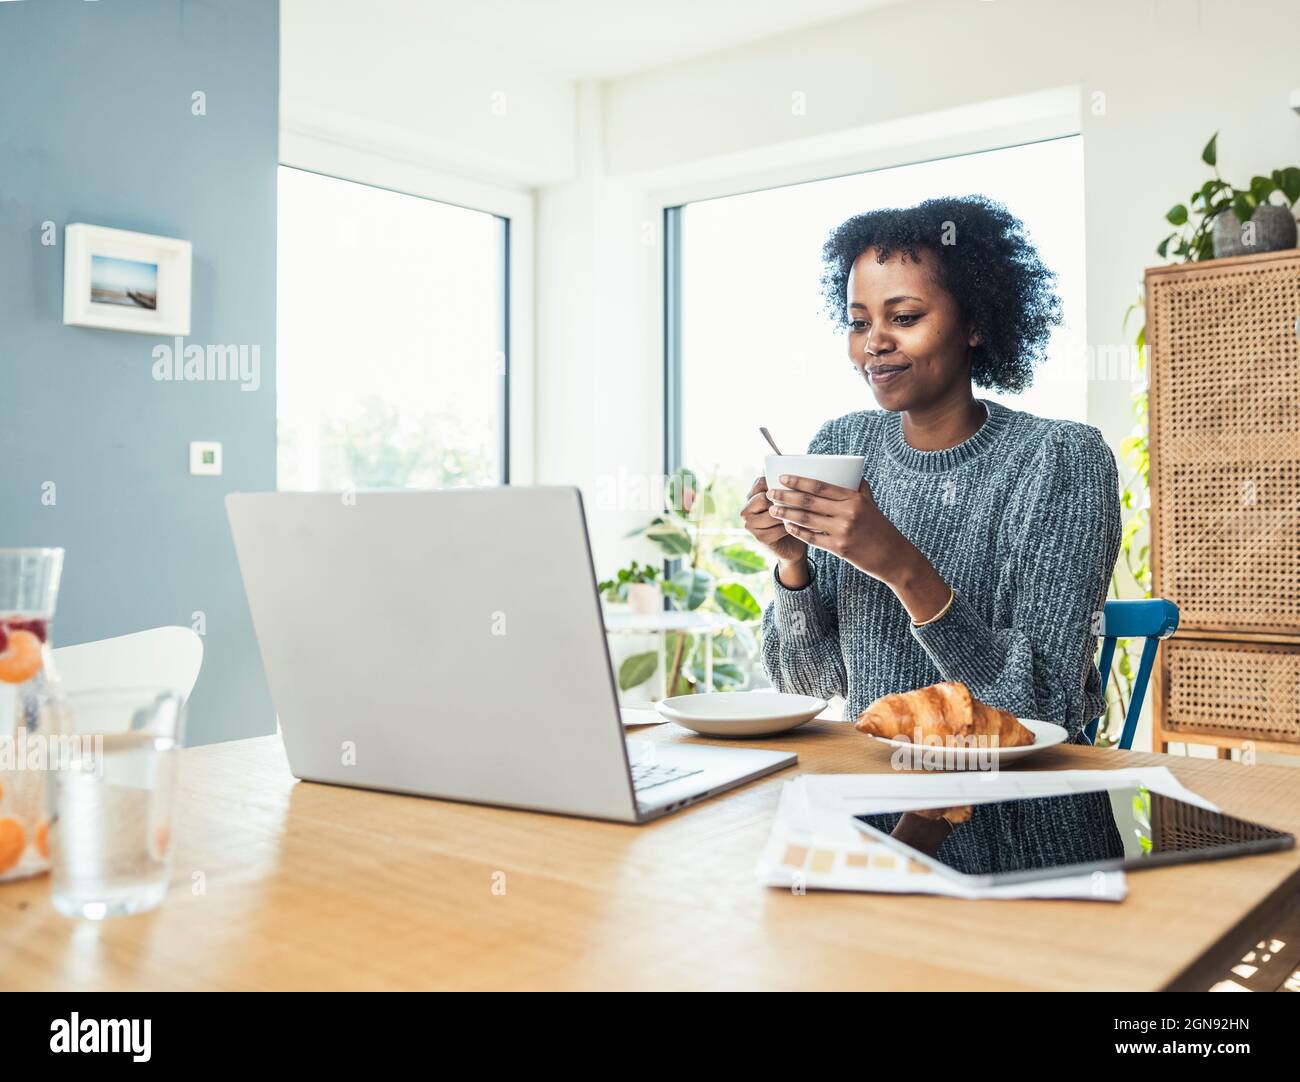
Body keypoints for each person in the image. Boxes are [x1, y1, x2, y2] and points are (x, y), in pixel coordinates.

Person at [742, 195, 1122, 867]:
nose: (874, 343)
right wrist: (794, 566)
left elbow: (1042, 710)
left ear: (975, 324)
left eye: (905, 317)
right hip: (862, 823)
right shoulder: (842, 444)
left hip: (1020, 844)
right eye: (859, 322)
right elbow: (809, 683)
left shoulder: (1060, 459)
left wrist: (901, 567)